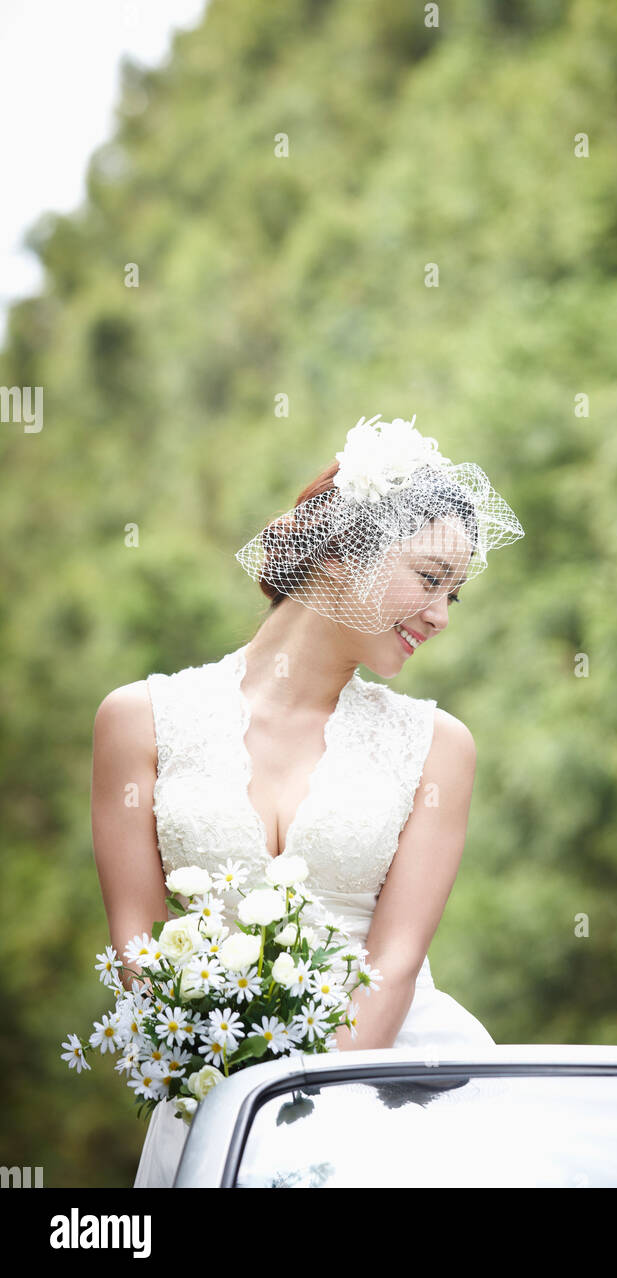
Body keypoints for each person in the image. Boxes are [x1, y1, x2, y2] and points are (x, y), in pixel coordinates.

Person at [90, 413, 524, 1187]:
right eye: (429, 578)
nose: (442, 616)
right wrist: (228, 1100)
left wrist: (303, 1125)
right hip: (209, 1118)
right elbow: (137, 946)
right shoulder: (138, 721)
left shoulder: (439, 747)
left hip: (393, 1111)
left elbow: (393, 962)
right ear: (343, 549)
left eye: (456, 593)